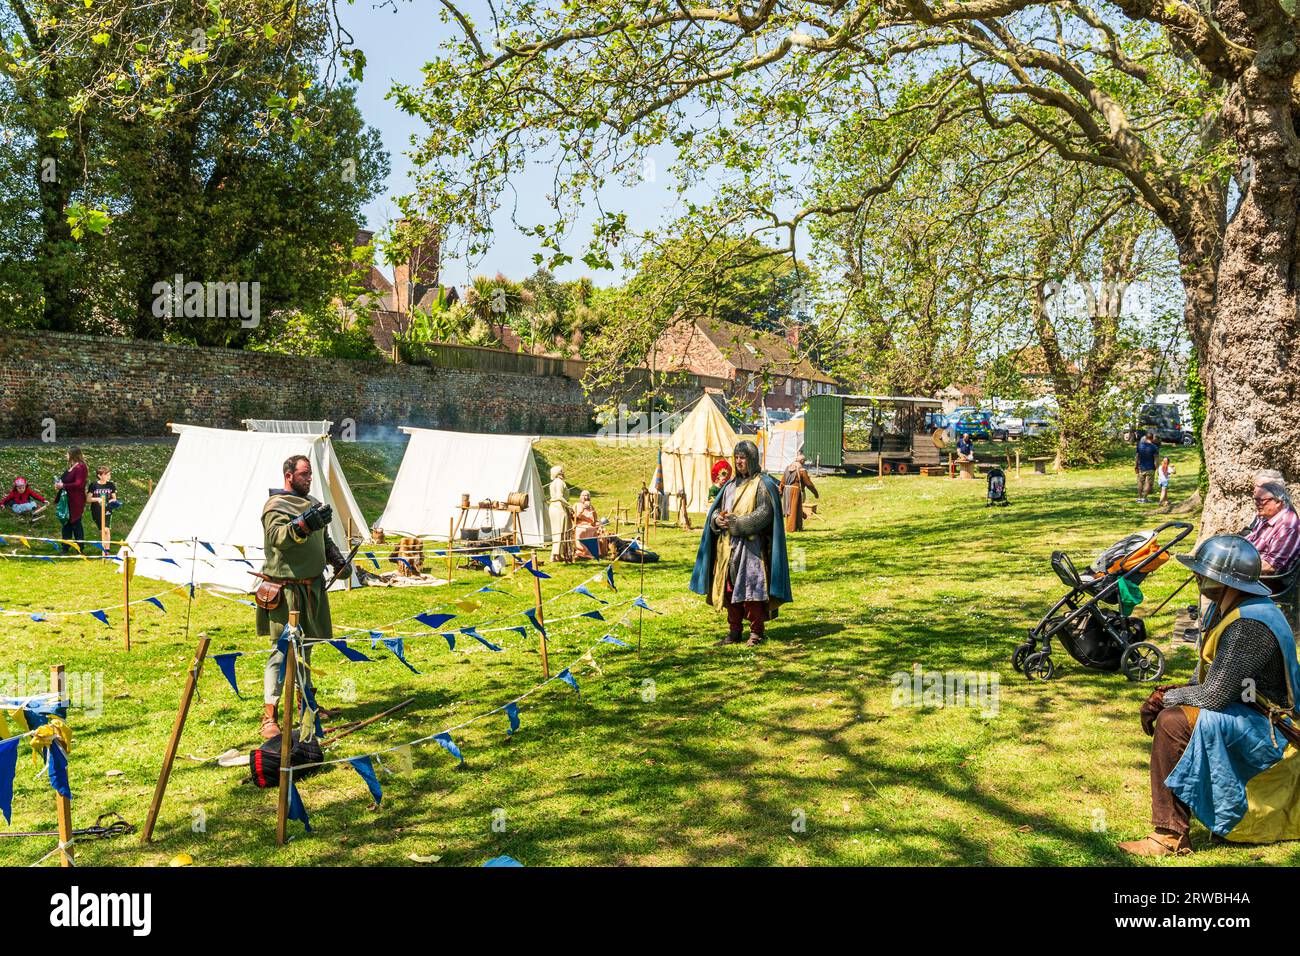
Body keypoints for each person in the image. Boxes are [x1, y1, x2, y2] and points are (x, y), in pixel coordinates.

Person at [1121, 535, 1300, 856]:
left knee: (1173, 722)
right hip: (1246, 711)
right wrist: (1171, 693)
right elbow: (1207, 678)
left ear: (1226, 580)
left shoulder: (1250, 624)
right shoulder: (1226, 610)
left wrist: (1163, 701)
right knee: (1176, 714)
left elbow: (1214, 695)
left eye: (1204, 574)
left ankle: (1169, 836)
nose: (1198, 578)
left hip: (1272, 731)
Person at [255, 454, 351, 739]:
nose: (309, 478)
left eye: (309, 474)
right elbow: (277, 537)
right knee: (281, 651)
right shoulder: (276, 505)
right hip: (285, 591)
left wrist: (337, 560)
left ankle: (306, 705)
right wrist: (304, 524)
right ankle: (269, 715)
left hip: (311, 588)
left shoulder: (312, 504)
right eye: (304, 474)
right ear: (289, 476)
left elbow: (324, 539)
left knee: (305, 650)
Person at [689, 440, 792, 647]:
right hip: (727, 548)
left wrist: (737, 523)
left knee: (752, 590)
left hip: (751, 549)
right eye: (736, 457)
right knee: (729, 590)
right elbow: (716, 511)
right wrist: (717, 519)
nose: (738, 461)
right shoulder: (729, 486)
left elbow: (764, 514)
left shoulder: (762, 484)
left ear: (751, 459)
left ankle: (756, 633)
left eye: (743, 458)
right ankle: (734, 631)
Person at [1243, 478, 1299, 575]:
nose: (1257, 504)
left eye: (1261, 500)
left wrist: (1236, 565)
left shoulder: (1288, 525)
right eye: (1256, 500)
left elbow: (1271, 566)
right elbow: (1248, 541)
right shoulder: (1266, 518)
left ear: (1278, 502)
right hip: (1250, 570)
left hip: (1265, 580)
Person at [53, 447, 88, 553]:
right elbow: (64, 480)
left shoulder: (81, 467)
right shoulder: (71, 467)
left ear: (73, 455)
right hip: (66, 500)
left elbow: (79, 484)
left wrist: (63, 485)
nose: (66, 456)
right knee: (66, 524)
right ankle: (65, 548)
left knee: (76, 523)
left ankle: (80, 549)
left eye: (67, 454)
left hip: (76, 500)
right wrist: (58, 484)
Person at [779, 453, 819, 532]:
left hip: (786, 490)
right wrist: (815, 493)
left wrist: (781, 491)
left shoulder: (787, 468)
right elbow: (809, 484)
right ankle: (791, 528)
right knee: (793, 509)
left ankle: (798, 527)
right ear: (802, 461)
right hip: (795, 491)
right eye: (804, 461)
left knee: (793, 509)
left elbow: (782, 482)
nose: (804, 463)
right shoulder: (801, 470)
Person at [548, 465, 574, 562]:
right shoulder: (559, 482)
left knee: (557, 531)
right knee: (560, 531)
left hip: (555, 507)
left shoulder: (554, 482)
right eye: (562, 471)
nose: (563, 472)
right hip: (559, 507)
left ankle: (557, 554)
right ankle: (555, 555)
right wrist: (569, 506)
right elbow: (559, 496)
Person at [87, 466, 121, 537]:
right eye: (107, 475)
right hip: (97, 510)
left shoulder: (110, 485)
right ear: (99, 476)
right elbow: (88, 499)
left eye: (109, 474)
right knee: (103, 530)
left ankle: (107, 544)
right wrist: (98, 499)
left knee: (106, 529)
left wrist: (112, 501)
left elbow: (114, 498)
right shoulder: (93, 485)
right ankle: (104, 543)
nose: (109, 476)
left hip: (107, 510)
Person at [572, 490, 604, 558]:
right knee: (583, 530)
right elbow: (575, 517)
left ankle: (593, 552)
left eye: (587, 495)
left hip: (590, 525)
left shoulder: (591, 507)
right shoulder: (576, 505)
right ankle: (582, 551)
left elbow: (595, 519)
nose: (585, 497)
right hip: (580, 525)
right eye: (583, 495)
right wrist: (583, 509)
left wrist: (593, 512)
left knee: (597, 530)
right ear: (580, 497)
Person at [1135, 431, 1159, 502]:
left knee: (1140, 482)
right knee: (1148, 483)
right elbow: (1156, 459)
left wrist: (1136, 466)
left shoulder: (1139, 446)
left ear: (1145, 437)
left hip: (1141, 467)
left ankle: (1139, 497)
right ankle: (1144, 498)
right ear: (1152, 438)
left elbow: (1137, 457)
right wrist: (1157, 468)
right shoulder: (1154, 447)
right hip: (1150, 468)